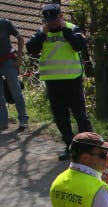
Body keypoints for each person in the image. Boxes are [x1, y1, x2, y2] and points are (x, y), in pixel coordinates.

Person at [26, 4, 92, 160]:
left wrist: (65, 31)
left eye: (54, 20)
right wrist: (42, 34)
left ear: (60, 16)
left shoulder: (72, 28)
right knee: (60, 118)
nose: (52, 23)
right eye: (48, 21)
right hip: (52, 82)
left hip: (72, 80)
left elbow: (79, 45)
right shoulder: (42, 33)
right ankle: (70, 146)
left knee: (80, 115)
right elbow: (31, 49)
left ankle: (89, 146)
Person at [0, 16, 28, 130]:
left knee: (16, 91)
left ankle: (23, 119)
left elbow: (20, 39)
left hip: (8, 61)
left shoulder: (5, 23)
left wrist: (19, 58)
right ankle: (3, 122)